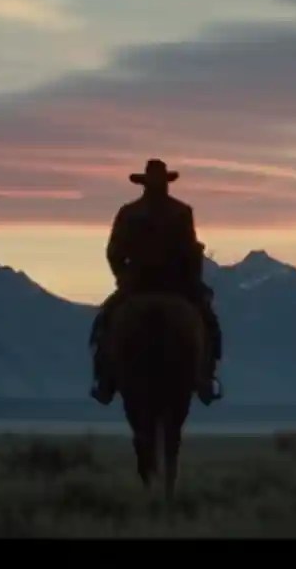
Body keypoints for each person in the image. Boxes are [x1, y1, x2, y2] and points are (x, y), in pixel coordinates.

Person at [89, 158, 222, 406]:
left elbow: (114, 252)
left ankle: (104, 381)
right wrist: (193, 279)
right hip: (177, 285)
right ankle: (206, 378)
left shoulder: (128, 213)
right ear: (166, 183)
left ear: (144, 184)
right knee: (209, 323)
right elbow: (190, 251)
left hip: (137, 285)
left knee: (104, 323)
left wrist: (123, 278)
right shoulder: (182, 212)